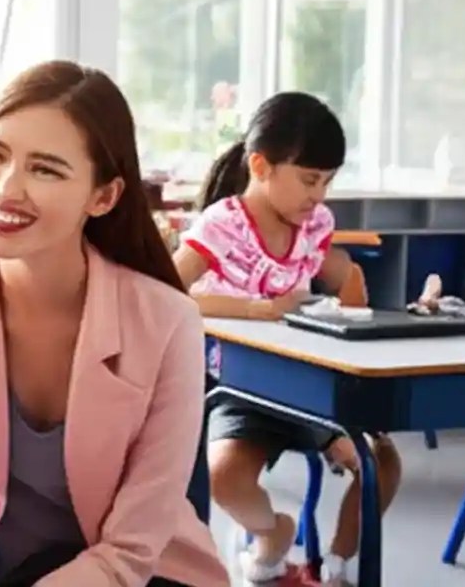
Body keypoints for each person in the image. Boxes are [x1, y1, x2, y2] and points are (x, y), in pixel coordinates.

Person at [0, 61, 227, 586]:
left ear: (103, 197)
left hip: (144, 575)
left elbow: (130, 550)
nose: (6, 189)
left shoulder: (169, 322)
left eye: (46, 169)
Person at [172, 93, 401, 585]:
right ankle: (274, 534)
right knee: (224, 478)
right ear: (261, 166)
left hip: (310, 386)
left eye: (327, 181)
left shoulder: (313, 225)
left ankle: (339, 564)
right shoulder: (223, 224)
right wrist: (256, 310)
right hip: (244, 385)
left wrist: (361, 306)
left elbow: (342, 274)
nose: (319, 195)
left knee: (381, 462)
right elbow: (169, 292)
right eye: (309, 180)